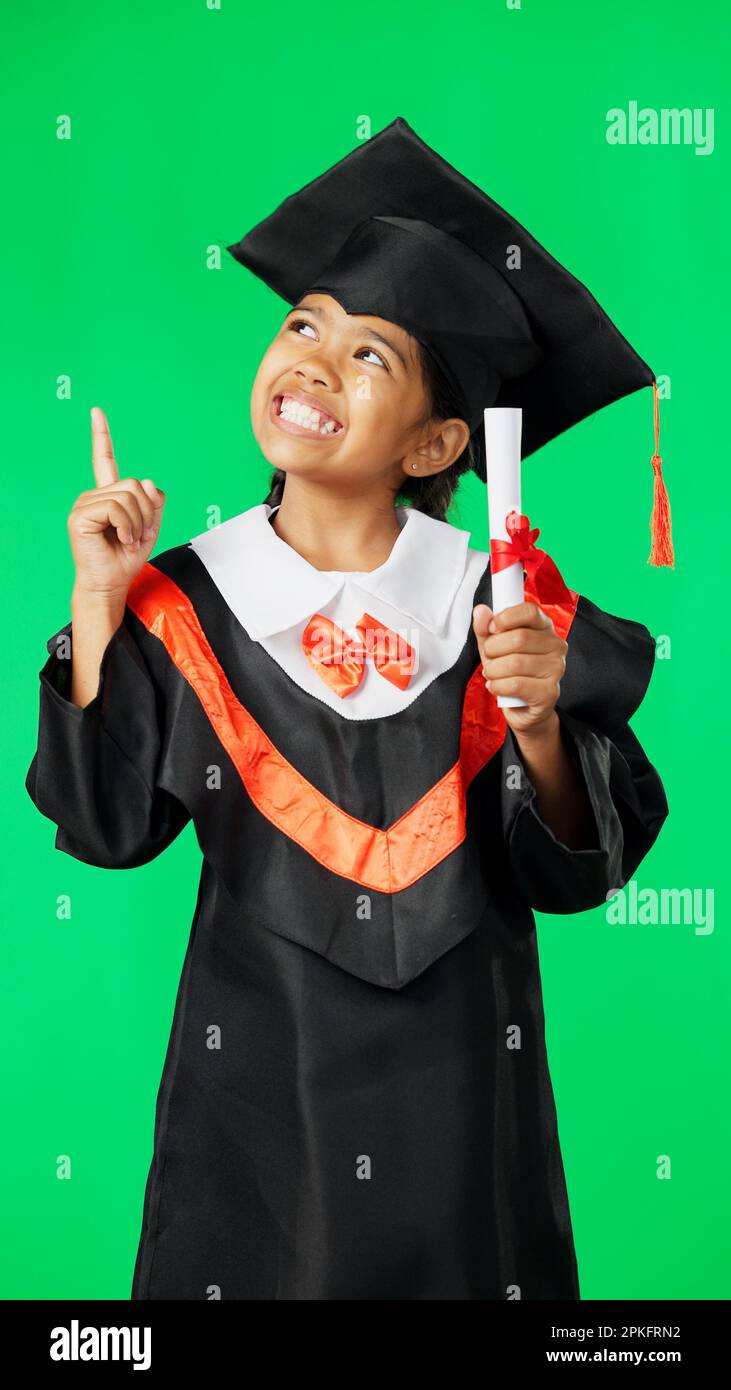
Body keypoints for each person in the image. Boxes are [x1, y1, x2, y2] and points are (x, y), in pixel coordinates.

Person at [25, 118, 669, 1301]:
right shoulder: (184, 602)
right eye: (302, 324)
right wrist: (99, 602)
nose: (315, 362)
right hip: (252, 1112)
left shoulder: (500, 615)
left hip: (467, 1100)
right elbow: (106, 828)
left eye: (371, 354)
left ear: (435, 440)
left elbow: (575, 875)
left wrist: (533, 721)